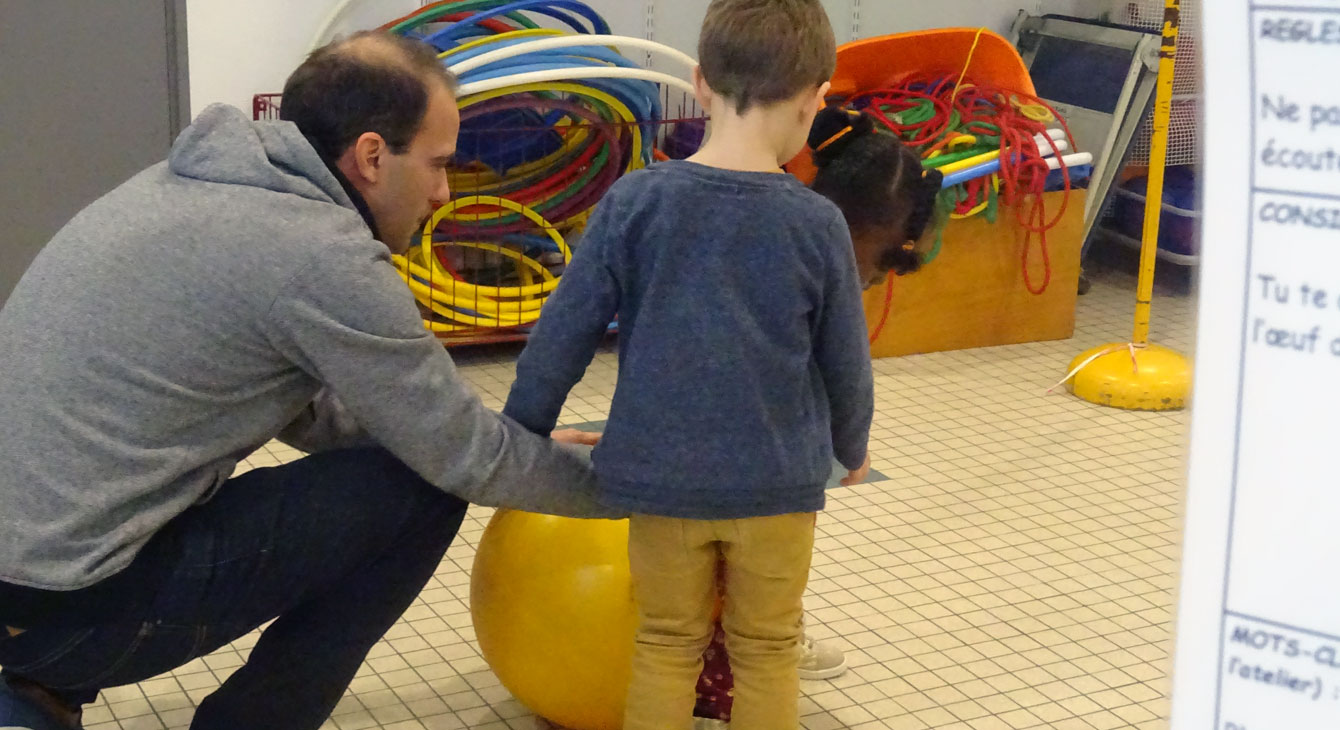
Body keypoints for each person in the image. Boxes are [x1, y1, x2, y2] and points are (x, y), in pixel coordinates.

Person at [0, 31, 613, 730]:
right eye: (440, 163)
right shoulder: (324, 257)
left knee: (413, 457)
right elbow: (461, 459)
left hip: (26, 582)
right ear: (373, 156)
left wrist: (509, 444)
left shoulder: (185, 185)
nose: (445, 192)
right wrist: (632, 486)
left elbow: (312, 410)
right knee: (424, 489)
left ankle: (34, 693)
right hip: (62, 608)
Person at [501, 2, 872, 728]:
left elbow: (564, 331)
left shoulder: (635, 200)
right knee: (767, 648)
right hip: (777, 487)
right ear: (814, 98)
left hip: (662, 483)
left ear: (699, 83)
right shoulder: (817, 222)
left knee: (667, 643)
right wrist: (850, 447)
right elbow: (846, 360)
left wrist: (522, 428)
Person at [690, 105, 947, 727]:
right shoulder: (820, 255)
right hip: (768, 469)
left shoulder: (778, 230)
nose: (872, 279)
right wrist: (851, 446)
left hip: (706, 450)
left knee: (706, 594)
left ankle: (713, 667)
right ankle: (728, 678)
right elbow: (846, 374)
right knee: (754, 594)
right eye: (879, 262)